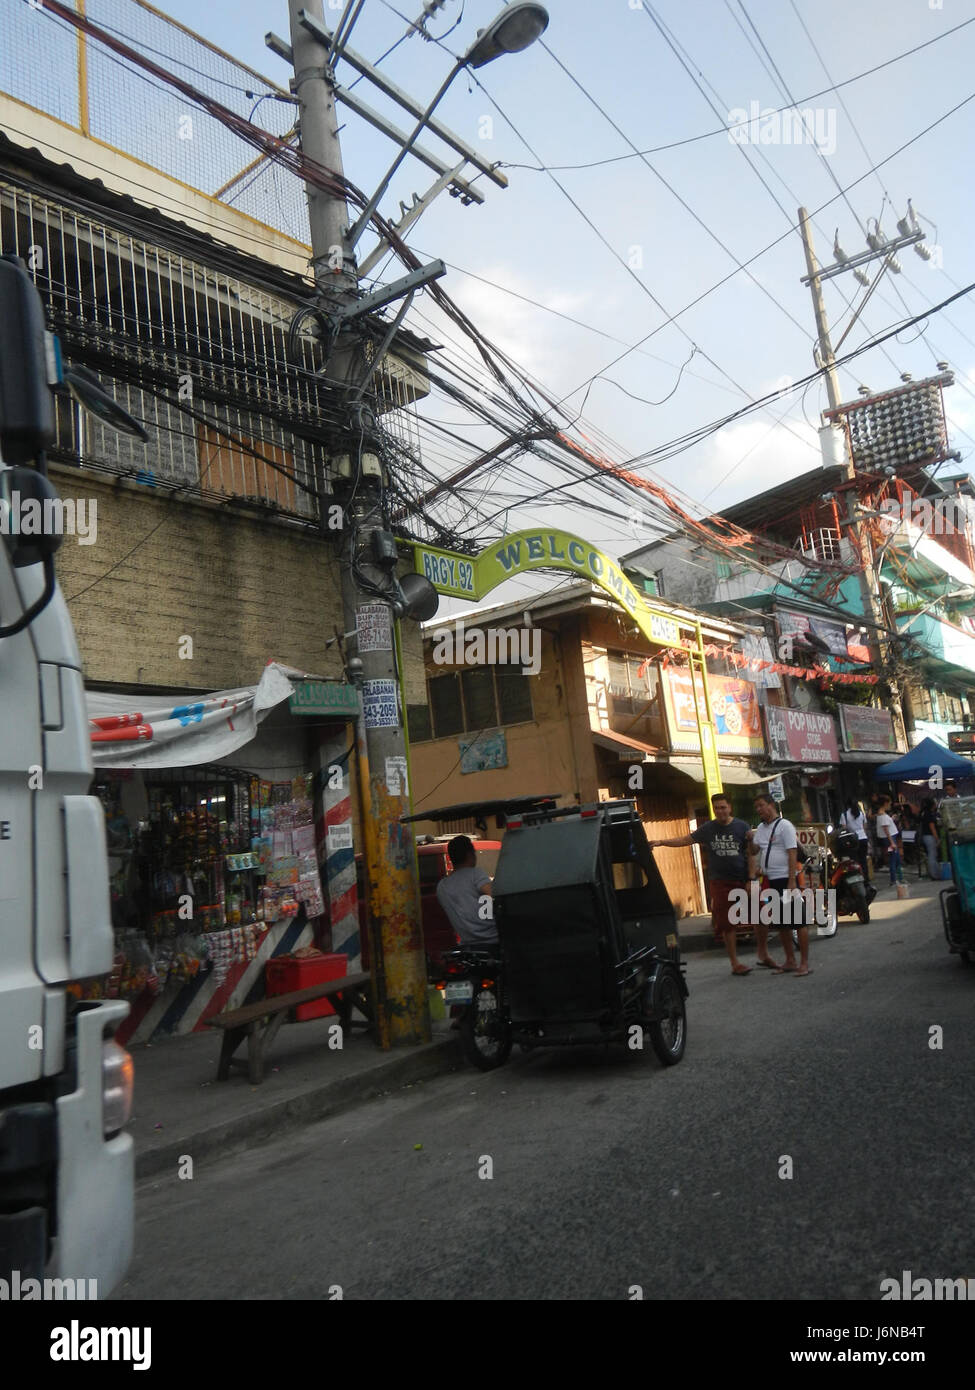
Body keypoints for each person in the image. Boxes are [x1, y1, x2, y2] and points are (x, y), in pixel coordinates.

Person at [650, 792, 773, 976]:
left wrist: (751, 878)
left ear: (730, 807)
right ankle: (735, 963)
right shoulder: (708, 828)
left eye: (723, 807)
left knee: (761, 916)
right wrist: (661, 842)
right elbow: (685, 840)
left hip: (745, 879)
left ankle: (763, 953)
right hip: (720, 882)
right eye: (716, 808)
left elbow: (751, 854)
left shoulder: (742, 826)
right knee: (727, 923)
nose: (720, 811)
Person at [750, 793, 811, 976]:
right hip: (771, 880)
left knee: (798, 922)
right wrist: (748, 840)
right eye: (757, 807)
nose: (759, 810)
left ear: (770, 805)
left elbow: (792, 853)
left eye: (761, 805)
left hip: (786, 879)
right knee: (782, 924)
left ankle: (804, 963)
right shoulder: (761, 828)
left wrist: (792, 881)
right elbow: (754, 850)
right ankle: (790, 960)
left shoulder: (784, 826)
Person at [435, 835, 495, 948]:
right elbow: (494, 895)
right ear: (470, 854)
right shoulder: (475, 874)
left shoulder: (442, 886)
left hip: (467, 945)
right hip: (493, 940)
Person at [875, 796, 902, 887]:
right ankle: (894, 880)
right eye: (889, 803)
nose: (890, 805)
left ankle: (898, 879)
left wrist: (891, 819)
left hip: (890, 838)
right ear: (885, 803)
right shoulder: (882, 815)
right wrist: (892, 843)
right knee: (893, 859)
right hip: (890, 839)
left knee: (896, 858)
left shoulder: (882, 815)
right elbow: (886, 829)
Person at [839, 798, 870, 877]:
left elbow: (844, 828)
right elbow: (865, 827)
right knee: (863, 860)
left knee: (854, 861)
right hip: (863, 838)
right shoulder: (861, 814)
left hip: (852, 840)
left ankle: (857, 878)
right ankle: (866, 879)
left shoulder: (844, 815)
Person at [919, 797, 941, 881]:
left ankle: (934, 873)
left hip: (925, 836)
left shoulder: (923, 813)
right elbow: (932, 827)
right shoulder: (929, 814)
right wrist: (937, 838)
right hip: (930, 836)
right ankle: (934, 874)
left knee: (931, 854)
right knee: (932, 854)